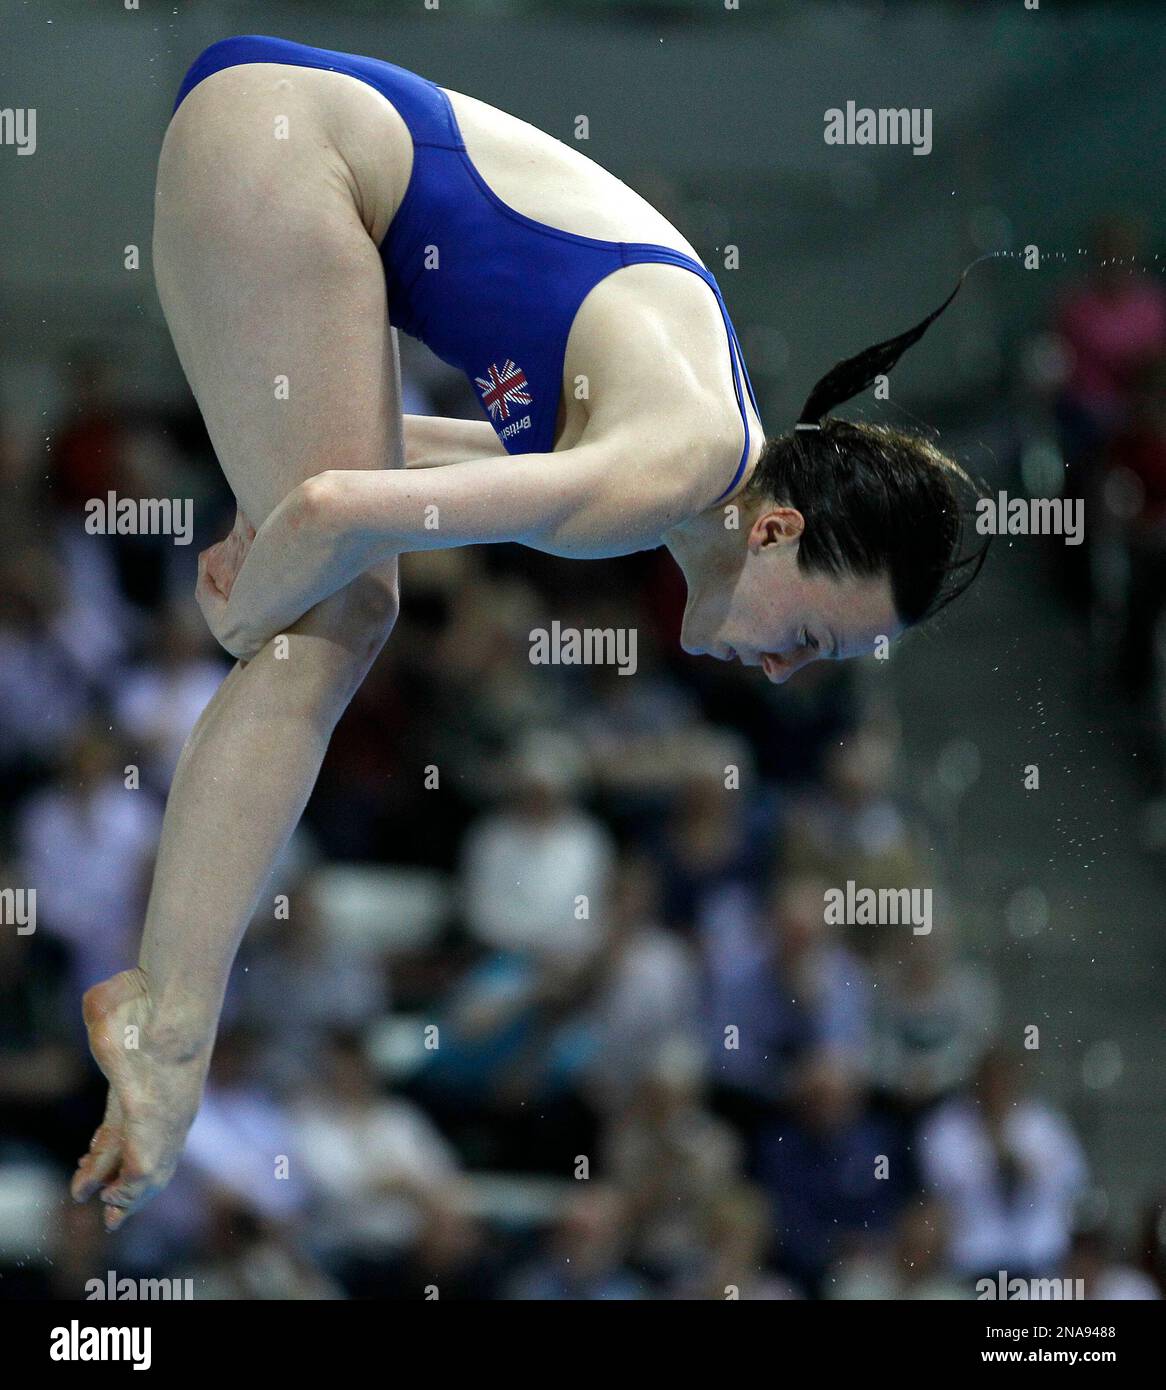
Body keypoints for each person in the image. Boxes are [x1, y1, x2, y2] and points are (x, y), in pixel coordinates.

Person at [73, 35, 985, 1228]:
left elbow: (391, 462)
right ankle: (169, 1020)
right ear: (777, 536)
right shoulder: (662, 473)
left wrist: (281, 519)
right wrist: (248, 599)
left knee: (339, 590)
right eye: (808, 637)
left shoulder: (688, 455)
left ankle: (166, 1009)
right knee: (341, 607)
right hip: (292, 152)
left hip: (284, 134)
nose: (777, 672)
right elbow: (340, 505)